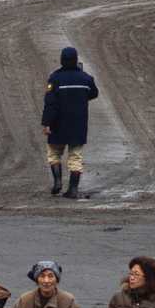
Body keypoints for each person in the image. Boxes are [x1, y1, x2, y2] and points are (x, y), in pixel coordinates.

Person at [41, 45, 98, 198]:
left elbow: (50, 104)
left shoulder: (55, 78)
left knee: (54, 154)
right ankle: (73, 189)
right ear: (76, 59)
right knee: (75, 156)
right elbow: (94, 93)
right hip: (78, 125)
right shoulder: (85, 78)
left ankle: (58, 182)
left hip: (58, 125)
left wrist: (46, 123)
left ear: (61, 60)